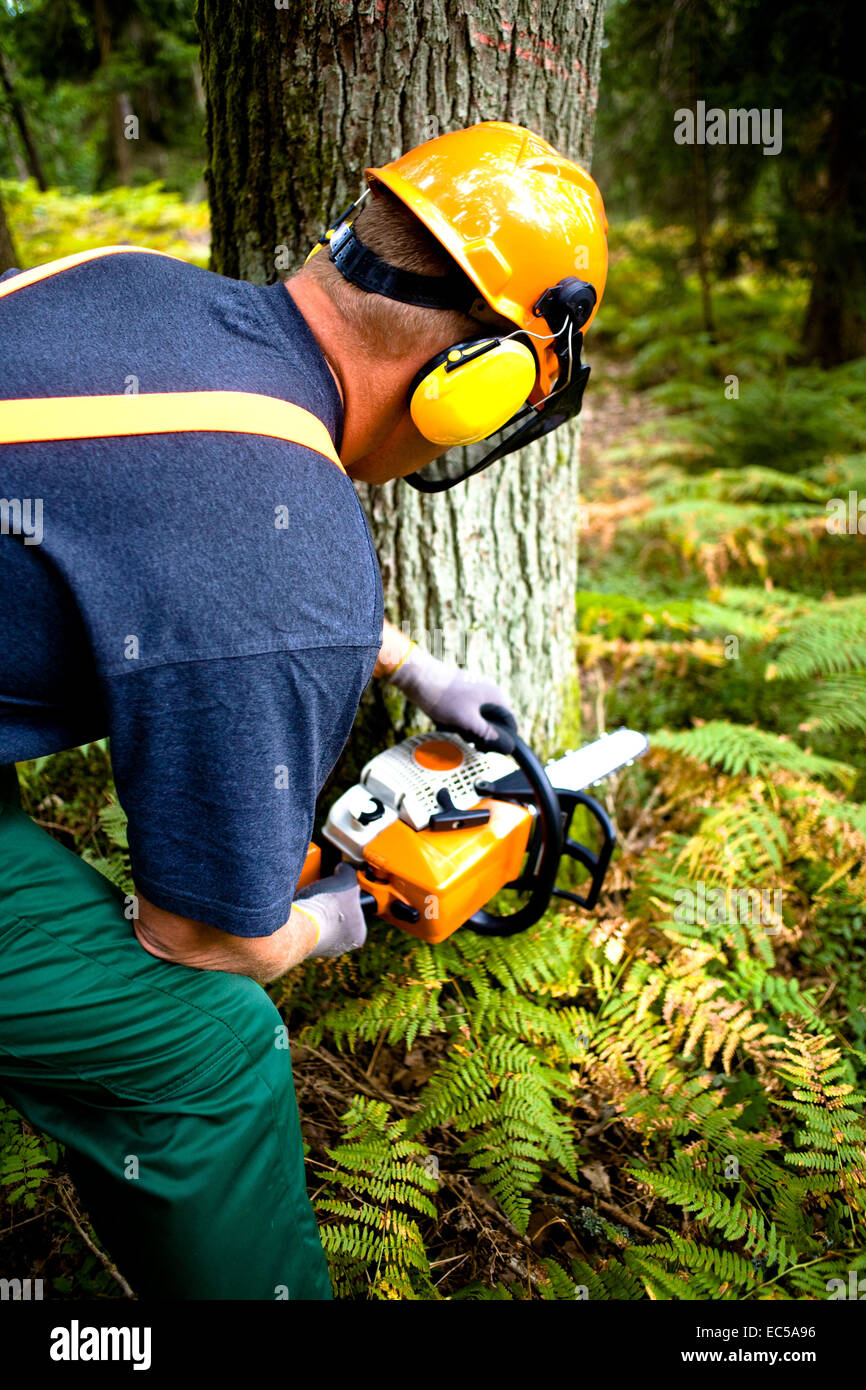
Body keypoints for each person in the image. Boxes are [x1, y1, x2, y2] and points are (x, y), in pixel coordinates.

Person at [0, 121, 607, 1299]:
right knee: (211, 1042)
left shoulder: (124, 281)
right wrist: (334, 918)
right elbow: (200, 937)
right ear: (470, 383)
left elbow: (142, 508)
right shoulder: (296, 552)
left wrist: (400, 662)